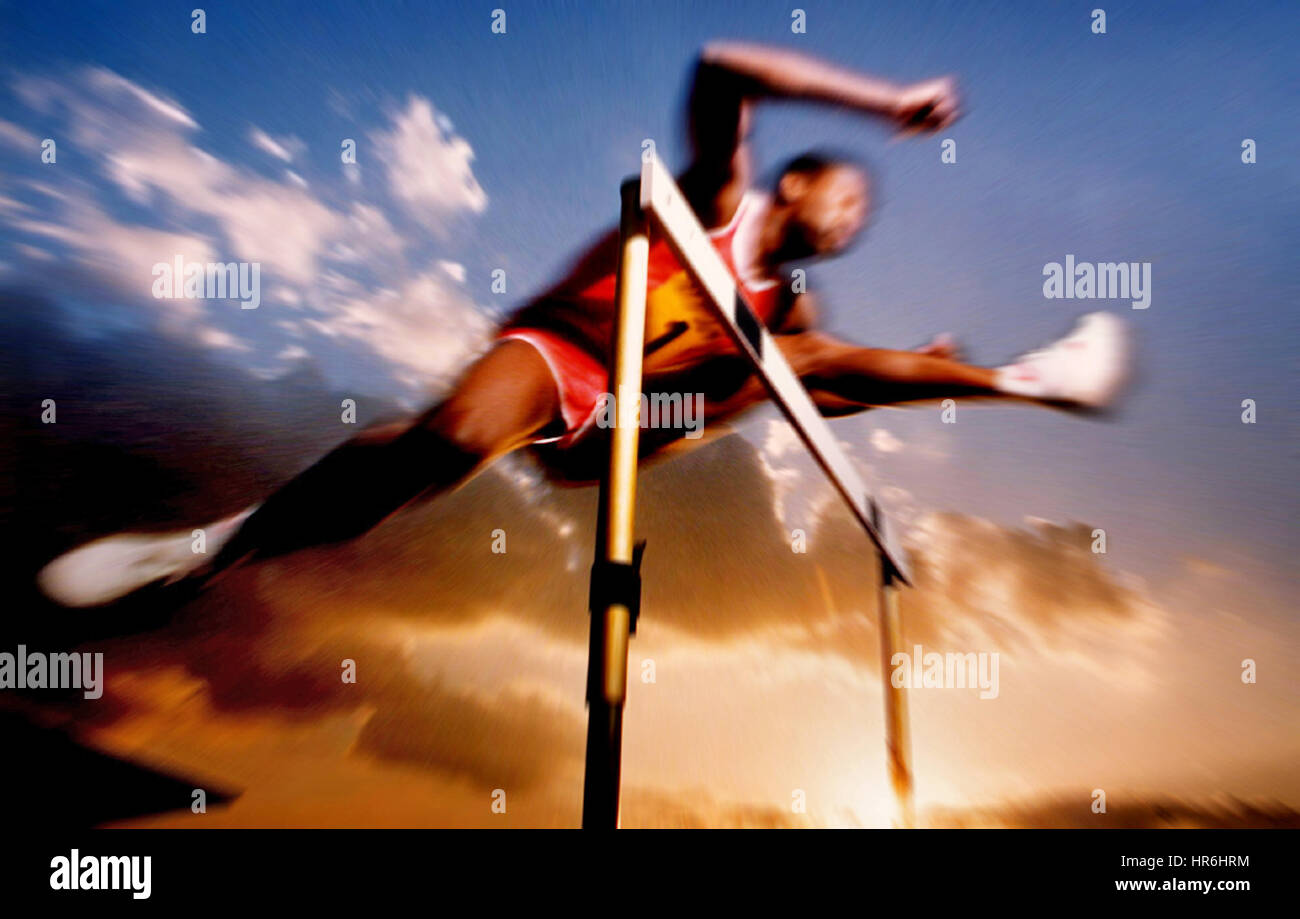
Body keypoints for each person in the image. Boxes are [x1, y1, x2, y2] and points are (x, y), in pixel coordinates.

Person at [38, 42, 1129, 608]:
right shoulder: (718, 201)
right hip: (562, 359)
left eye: (862, 218)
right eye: (844, 197)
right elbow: (718, 69)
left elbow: (829, 378)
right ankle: (212, 548)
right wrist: (885, 104)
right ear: (789, 186)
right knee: (449, 443)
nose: (854, 220)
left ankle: (1029, 379)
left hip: (637, 422)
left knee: (805, 362)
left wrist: (925, 371)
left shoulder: (787, 310)